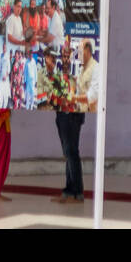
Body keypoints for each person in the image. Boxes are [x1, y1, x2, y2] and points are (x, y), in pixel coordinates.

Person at [46, 50, 84, 204]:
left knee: (72, 152)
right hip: (61, 114)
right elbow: (54, 92)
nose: (65, 59)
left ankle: (77, 193)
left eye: (67, 56)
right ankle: (69, 191)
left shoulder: (78, 71)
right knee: (67, 153)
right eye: (63, 56)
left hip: (73, 114)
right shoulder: (59, 73)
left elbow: (80, 92)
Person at [4, 0, 28, 108]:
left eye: (21, 7)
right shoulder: (10, 19)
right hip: (14, 54)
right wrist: (20, 42)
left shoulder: (19, 19)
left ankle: (17, 101)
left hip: (20, 53)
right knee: (14, 81)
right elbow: (9, 37)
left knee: (19, 82)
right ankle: (12, 102)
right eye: (18, 6)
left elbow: (19, 34)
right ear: (13, 6)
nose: (19, 9)